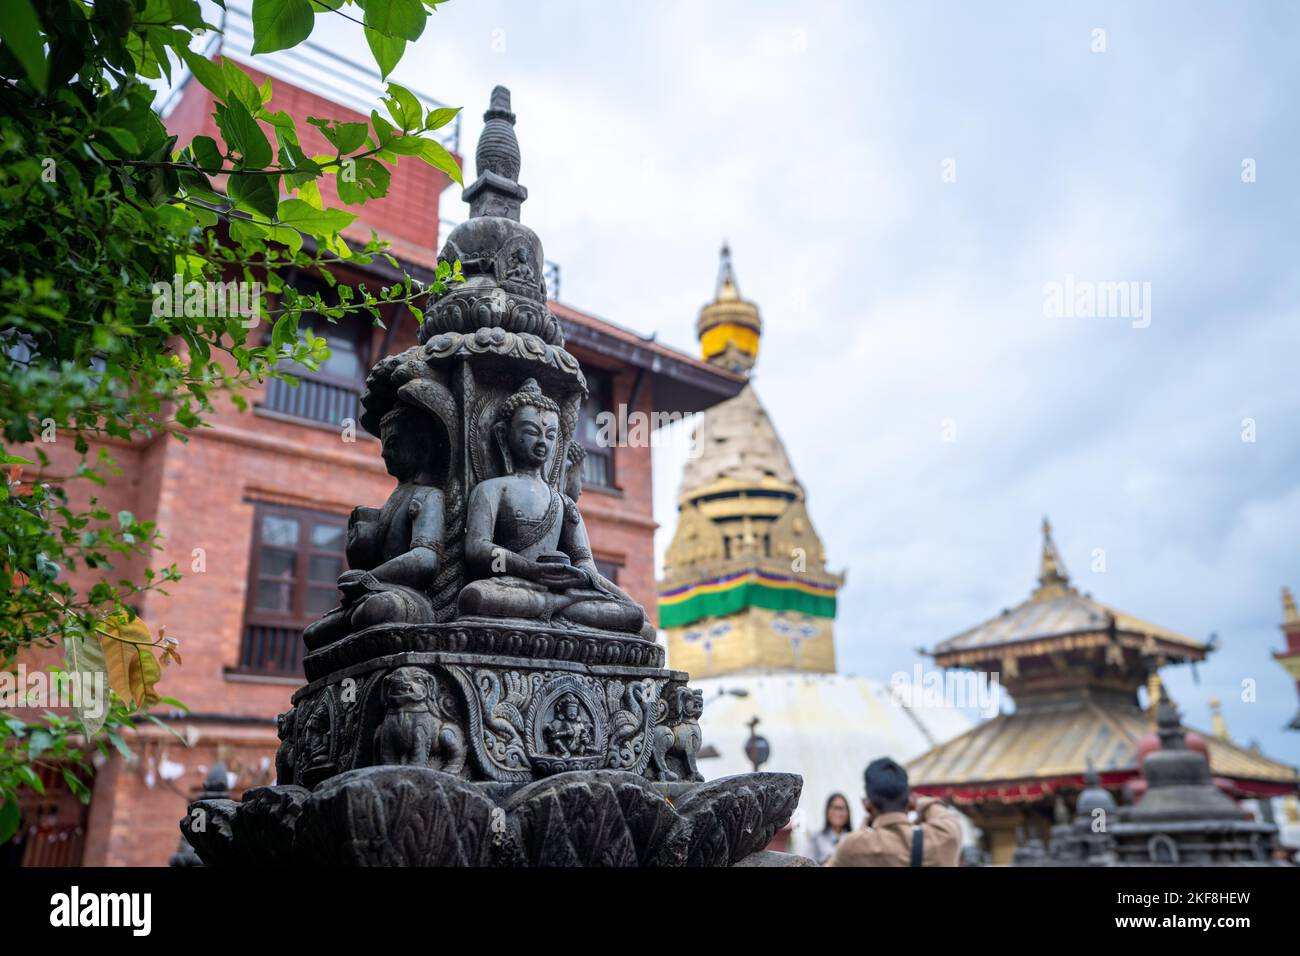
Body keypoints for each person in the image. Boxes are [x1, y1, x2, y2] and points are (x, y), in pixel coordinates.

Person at [825, 757, 962, 867]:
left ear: (867, 805)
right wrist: (918, 802)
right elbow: (944, 815)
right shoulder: (945, 835)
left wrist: (860, 834)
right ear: (910, 801)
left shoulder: (852, 848)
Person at [808, 792, 853, 864]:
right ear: (827, 811)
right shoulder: (816, 838)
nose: (838, 813)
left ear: (848, 812)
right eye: (835, 808)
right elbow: (806, 863)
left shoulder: (854, 839)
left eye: (841, 808)